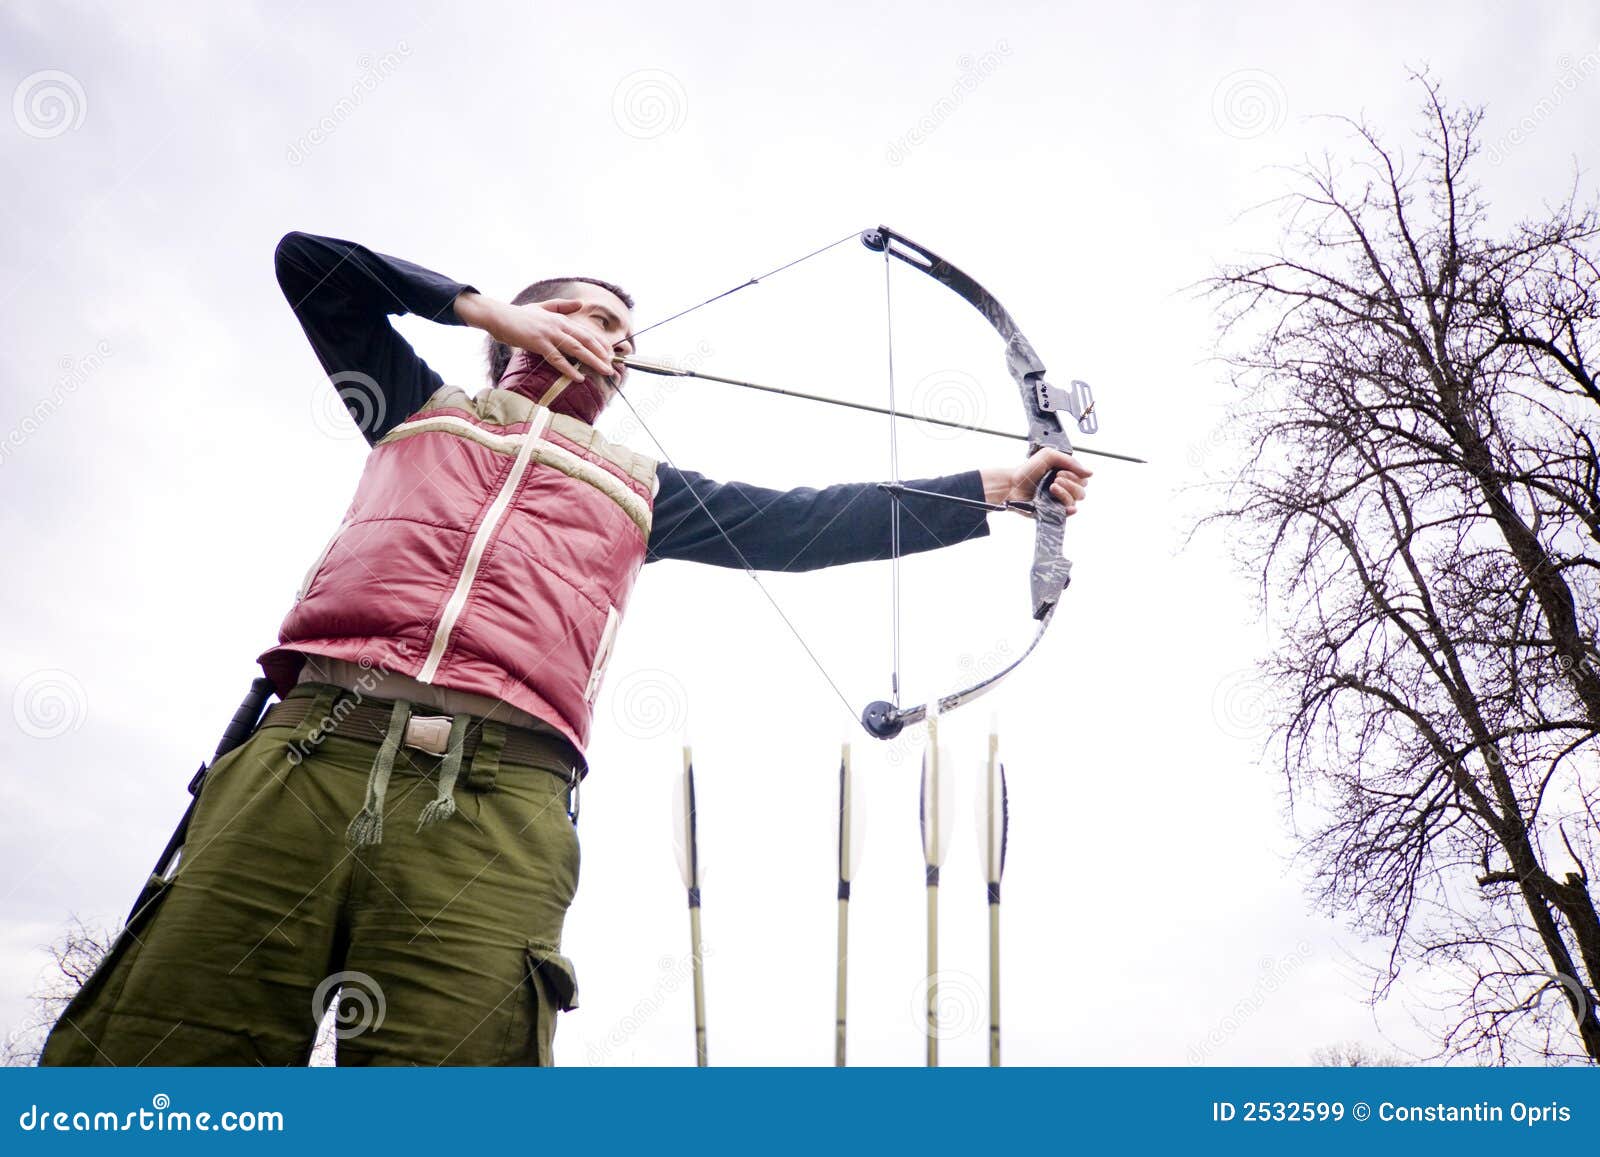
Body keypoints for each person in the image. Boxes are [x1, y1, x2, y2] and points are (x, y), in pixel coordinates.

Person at [40, 232, 1091, 1066]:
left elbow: (803, 520)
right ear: (514, 329)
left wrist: (1001, 487)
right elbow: (309, 263)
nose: (607, 335)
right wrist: (477, 303)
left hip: (497, 801)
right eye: (580, 314)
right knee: (166, 1057)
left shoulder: (640, 487)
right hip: (308, 754)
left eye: (619, 328)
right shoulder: (415, 406)